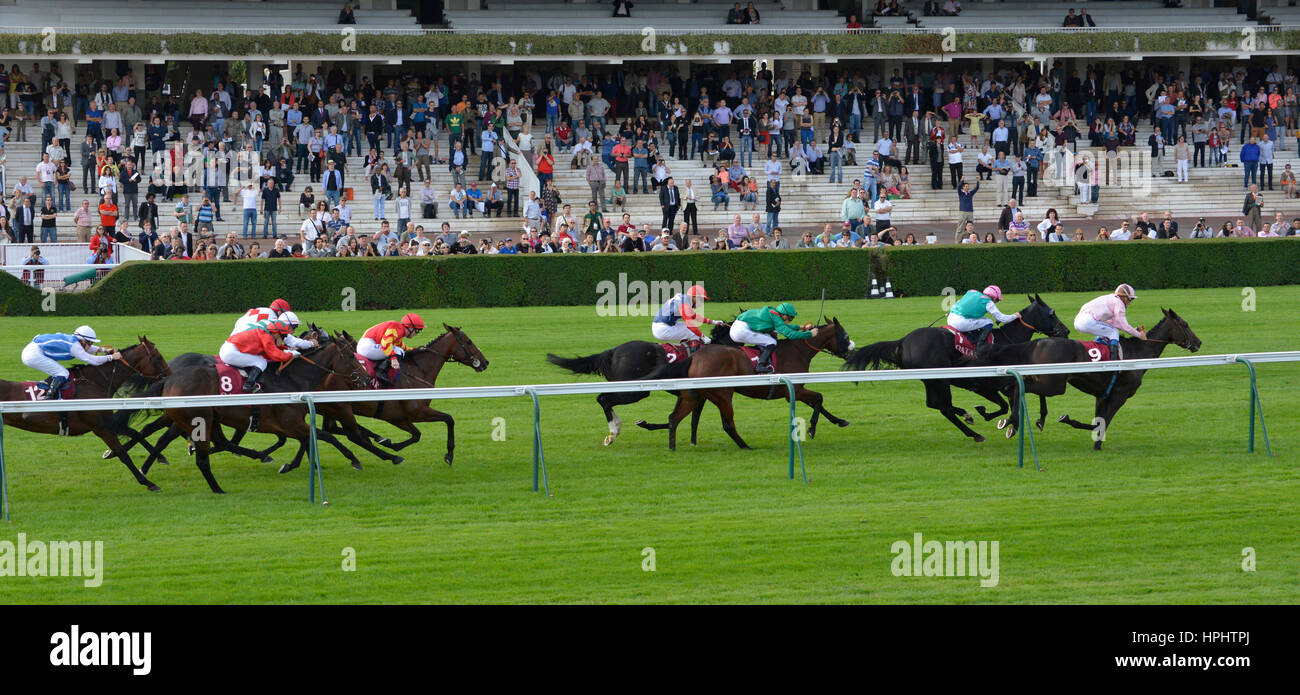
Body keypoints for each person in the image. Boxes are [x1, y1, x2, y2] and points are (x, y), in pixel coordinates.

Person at [22, 325, 121, 399]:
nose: (91, 345)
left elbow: (86, 349)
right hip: (33, 354)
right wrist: (111, 357)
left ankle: (50, 389)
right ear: (82, 340)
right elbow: (92, 360)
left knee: (59, 372)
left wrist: (104, 351)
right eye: (90, 342)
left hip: (34, 350)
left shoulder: (75, 341)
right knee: (63, 373)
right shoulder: (74, 346)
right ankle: (49, 398)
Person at [729, 302, 816, 374]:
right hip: (740, 331)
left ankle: (761, 359)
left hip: (739, 327)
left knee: (767, 339)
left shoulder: (773, 313)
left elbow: (784, 326)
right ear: (784, 315)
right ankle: (760, 365)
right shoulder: (776, 317)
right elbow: (790, 335)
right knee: (771, 341)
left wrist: (802, 328)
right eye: (790, 318)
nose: (790, 320)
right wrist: (809, 334)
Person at [219, 319, 300, 394]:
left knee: (260, 359)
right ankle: (248, 385)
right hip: (230, 352)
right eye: (283, 336)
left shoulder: (265, 333)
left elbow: (270, 350)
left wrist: (286, 350)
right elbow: (276, 355)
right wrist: (291, 355)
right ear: (276, 333)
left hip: (229, 349)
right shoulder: (266, 336)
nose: (283, 338)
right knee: (261, 362)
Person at [1075, 284, 1146, 355]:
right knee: (1114, 332)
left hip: (1078, 321)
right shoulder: (1119, 304)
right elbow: (1124, 326)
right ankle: (1113, 359)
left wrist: (1134, 329)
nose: (1130, 302)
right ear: (1124, 297)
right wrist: (1139, 335)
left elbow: (1114, 323)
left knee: (1106, 332)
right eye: (1130, 299)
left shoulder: (1110, 299)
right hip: (1088, 321)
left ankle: (1098, 350)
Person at [946, 285, 1020, 353]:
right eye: (997, 300)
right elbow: (1002, 318)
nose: (996, 302)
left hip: (950, 318)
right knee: (989, 321)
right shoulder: (989, 302)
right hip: (960, 323)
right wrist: (1015, 315)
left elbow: (960, 303)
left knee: (983, 318)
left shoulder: (972, 292)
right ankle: (981, 343)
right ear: (994, 298)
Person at [357, 313, 426, 385]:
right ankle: (381, 372)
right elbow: (386, 343)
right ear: (411, 328)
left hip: (367, 345)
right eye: (417, 330)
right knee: (397, 351)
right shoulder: (396, 328)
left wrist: (416, 349)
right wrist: (393, 358)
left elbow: (402, 347)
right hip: (366, 346)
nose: (417, 333)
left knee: (398, 350)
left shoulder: (399, 330)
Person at [651, 284, 722, 346]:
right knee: (692, 332)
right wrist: (703, 337)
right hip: (662, 329)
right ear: (694, 297)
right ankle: (694, 355)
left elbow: (694, 316)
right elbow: (690, 324)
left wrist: (714, 322)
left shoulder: (684, 300)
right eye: (701, 299)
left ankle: (683, 348)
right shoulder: (684, 303)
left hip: (663, 326)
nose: (701, 302)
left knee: (687, 328)